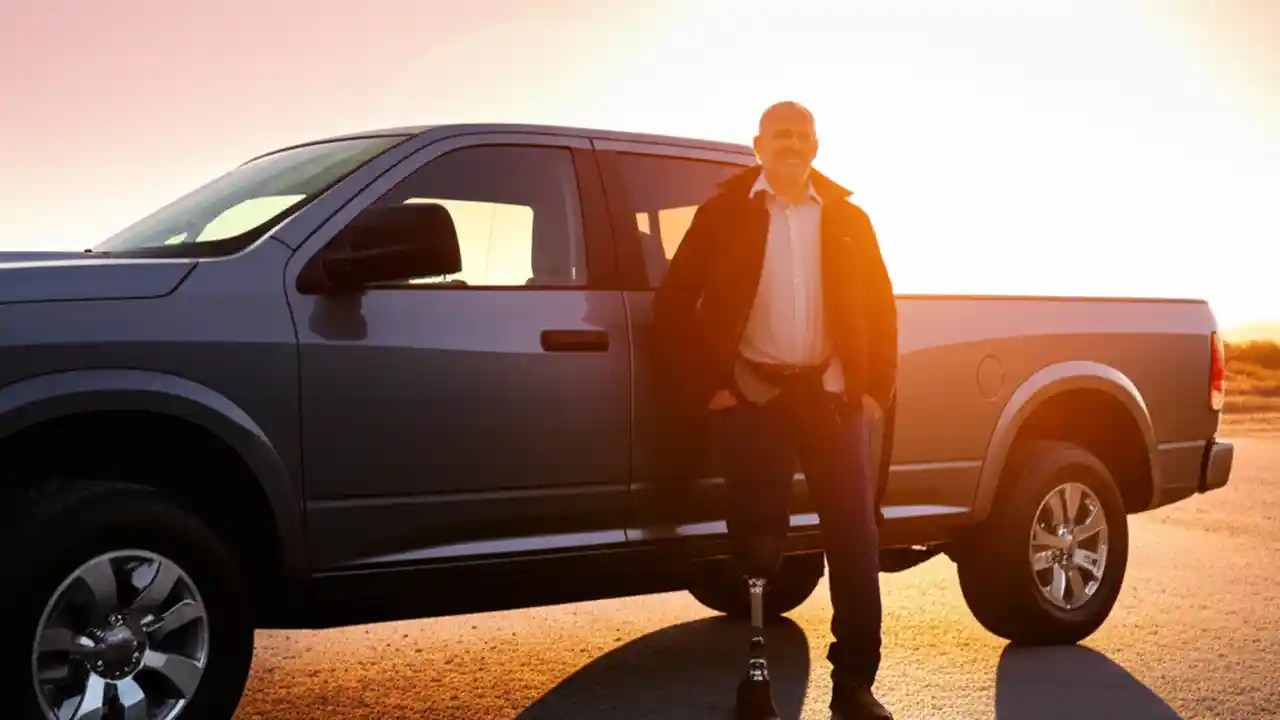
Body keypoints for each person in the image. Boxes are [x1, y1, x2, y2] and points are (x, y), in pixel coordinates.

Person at [653, 101, 898, 720]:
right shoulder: (725, 214)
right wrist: (707, 387)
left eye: (803, 135)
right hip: (754, 397)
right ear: (758, 145)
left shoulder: (848, 219)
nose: (793, 144)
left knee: (854, 538)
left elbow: (881, 307)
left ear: (816, 144)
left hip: (831, 398)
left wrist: (874, 389)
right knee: (758, 546)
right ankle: (756, 681)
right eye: (780, 135)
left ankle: (855, 687)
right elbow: (676, 301)